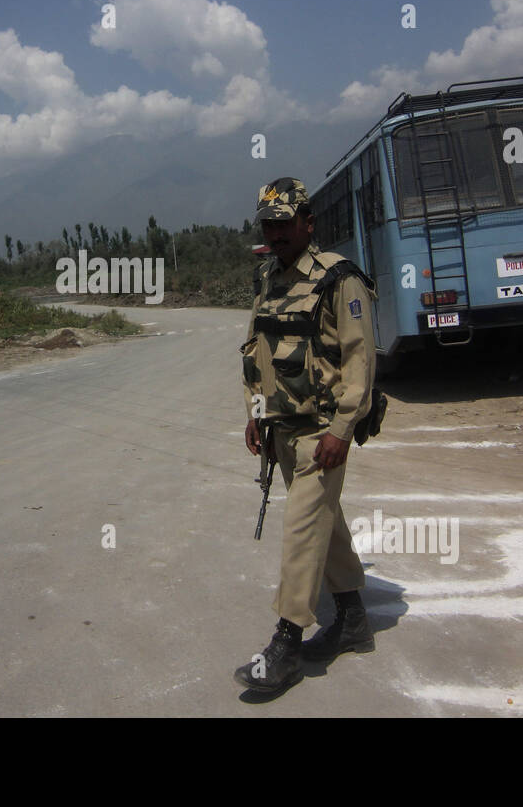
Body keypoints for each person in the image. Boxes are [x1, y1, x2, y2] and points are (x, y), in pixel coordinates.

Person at [235, 176, 379, 695]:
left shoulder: (339, 279)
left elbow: (361, 361)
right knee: (325, 522)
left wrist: (343, 428)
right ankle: (352, 617)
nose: (274, 234)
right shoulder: (268, 281)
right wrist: (255, 414)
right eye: (268, 225)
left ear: (307, 222)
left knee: (300, 531)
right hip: (282, 433)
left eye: (284, 223)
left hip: (322, 435)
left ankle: (287, 643)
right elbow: (255, 355)